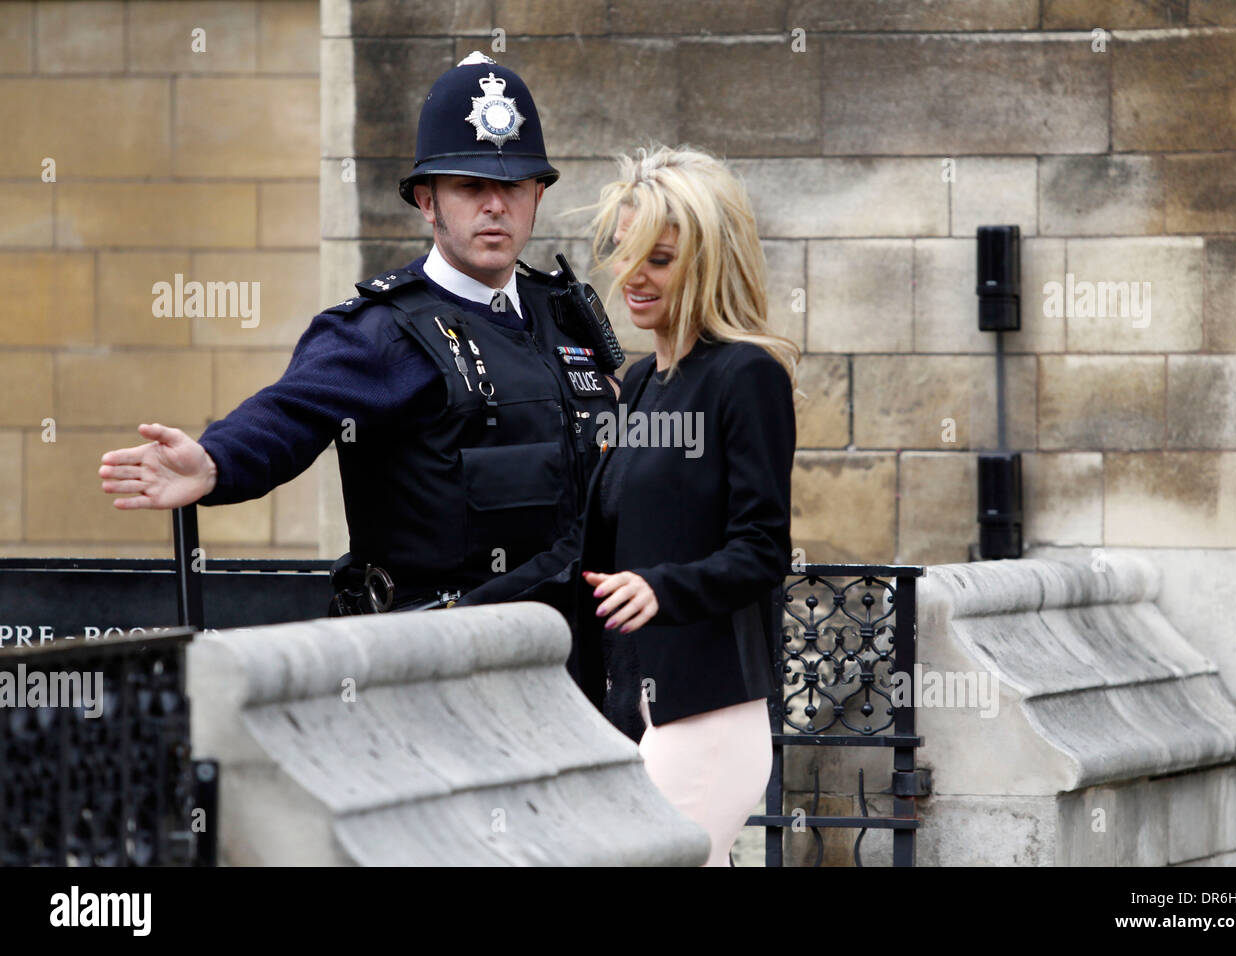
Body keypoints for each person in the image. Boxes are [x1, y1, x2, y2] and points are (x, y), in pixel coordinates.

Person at [97, 53, 621, 615]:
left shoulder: (562, 313)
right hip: (440, 655)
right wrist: (215, 461)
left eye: (514, 186)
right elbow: (288, 413)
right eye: (471, 187)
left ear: (538, 196)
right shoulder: (381, 331)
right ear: (427, 201)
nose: (496, 205)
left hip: (575, 650)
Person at [456, 145, 800, 866]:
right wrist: (460, 612)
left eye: (660, 259)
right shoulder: (639, 385)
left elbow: (762, 550)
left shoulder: (746, 375)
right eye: (623, 252)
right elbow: (579, 553)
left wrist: (661, 587)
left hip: (706, 719)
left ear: (709, 262)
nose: (633, 277)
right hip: (632, 712)